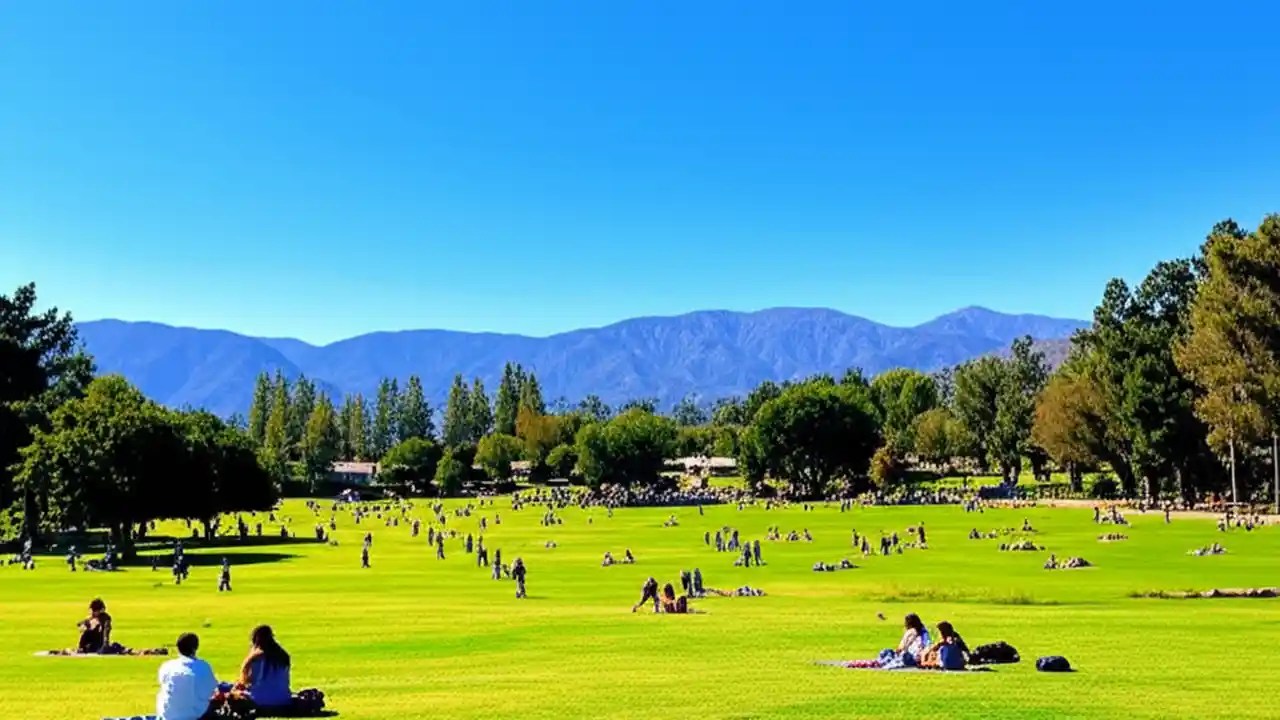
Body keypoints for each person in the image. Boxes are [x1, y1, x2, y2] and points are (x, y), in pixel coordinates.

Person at [156, 632, 219, 720]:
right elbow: (212, 691)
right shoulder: (203, 666)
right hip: (194, 716)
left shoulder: (167, 666)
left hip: (166, 716)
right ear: (195, 648)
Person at [238, 625, 292, 710]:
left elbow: (248, 681)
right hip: (284, 699)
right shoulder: (283, 656)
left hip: (259, 700)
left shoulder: (256, 658)